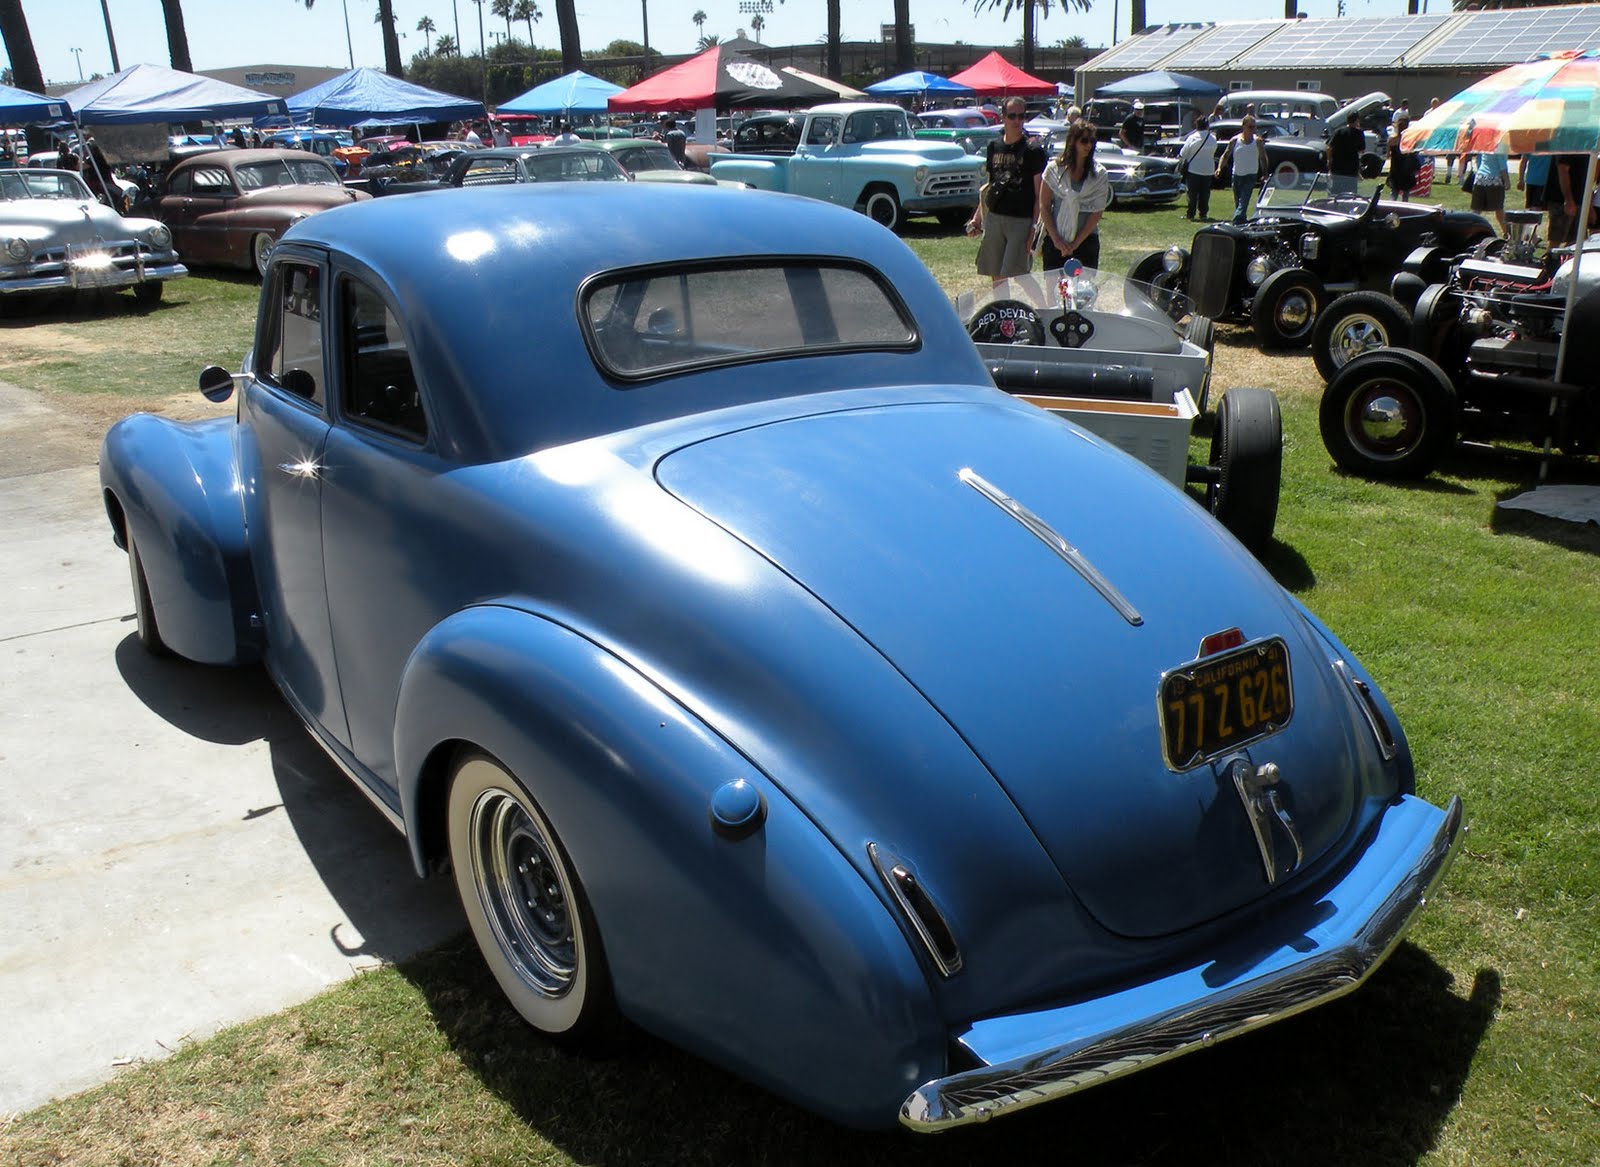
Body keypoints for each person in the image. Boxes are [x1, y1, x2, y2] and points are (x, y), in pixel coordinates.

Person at [968, 95, 1046, 284]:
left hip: (1021, 220)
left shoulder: (1033, 150)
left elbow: (1039, 195)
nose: (1017, 121)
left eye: (1021, 116)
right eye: (1012, 116)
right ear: (1002, 117)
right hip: (995, 217)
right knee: (996, 274)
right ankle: (1004, 312)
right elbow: (989, 187)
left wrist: (1034, 228)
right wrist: (977, 218)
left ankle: (1042, 310)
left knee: (1020, 275)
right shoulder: (994, 147)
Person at [1038, 121, 1108, 273]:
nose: (1088, 145)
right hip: (1056, 240)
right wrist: (1057, 240)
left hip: (1085, 241)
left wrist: (1075, 243)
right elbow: (1044, 205)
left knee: (1082, 292)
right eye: (1084, 140)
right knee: (1054, 290)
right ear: (1072, 141)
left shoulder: (1099, 174)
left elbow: (1097, 212)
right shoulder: (1054, 169)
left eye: (1092, 141)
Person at [1217, 115, 1262, 223]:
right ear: (1243, 127)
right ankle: (1242, 220)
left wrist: (1264, 173)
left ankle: (1236, 220)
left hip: (1250, 175)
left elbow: (1263, 158)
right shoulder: (1235, 140)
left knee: (1244, 201)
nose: (1253, 130)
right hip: (1236, 175)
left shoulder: (1257, 141)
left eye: (1254, 127)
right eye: (1250, 127)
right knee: (1239, 202)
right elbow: (1226, 155)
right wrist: (1219, 168)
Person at [1176, 114, 1218, 220]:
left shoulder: (1192, 138)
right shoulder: (1212, 139)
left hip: (1194, 169)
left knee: (1192, 193)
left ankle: (1191, 213)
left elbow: (1183, 153)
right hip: (1208, 170)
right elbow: (1214, 151)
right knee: (1205, 194)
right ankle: (1203, 213)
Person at [1544, 154, 1586, 246]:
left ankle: (1566, 260)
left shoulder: (1585, 144)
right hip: (1561, 200)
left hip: (1578, 199)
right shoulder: (1567, 144)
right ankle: (1551, 259)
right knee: (1557, 239)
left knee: (1575, 240)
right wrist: (1568, 199)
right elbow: (1563, 169)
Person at [1470, 144, 1510, 236]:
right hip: (1494, 179)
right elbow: (1502, 166)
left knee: (1477, 209)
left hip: (1480, 178)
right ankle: (1506, 232)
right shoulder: (1500, 146)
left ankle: (1471, 229)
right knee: (1499, 208)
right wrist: (1507, 181)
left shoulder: (1486, 145)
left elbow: (1479, 161)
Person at [1326, 111, 1366, 197]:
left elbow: (1329, 147)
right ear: (1356, 120)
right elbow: (1361, 151)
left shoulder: (1338, 132)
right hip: (1351, 168)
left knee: (1336, 192)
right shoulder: (1359, 133)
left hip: (1337, 166)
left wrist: (1329, 161)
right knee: (1351, 193)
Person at [1386, 117, 1415, 203]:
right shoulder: (1410, 140)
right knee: (1405, 196)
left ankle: (1390, 208)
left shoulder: (1391, 140)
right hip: (1406, 170)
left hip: (1395, 169)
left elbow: (1387, 155)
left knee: (1394, 193)